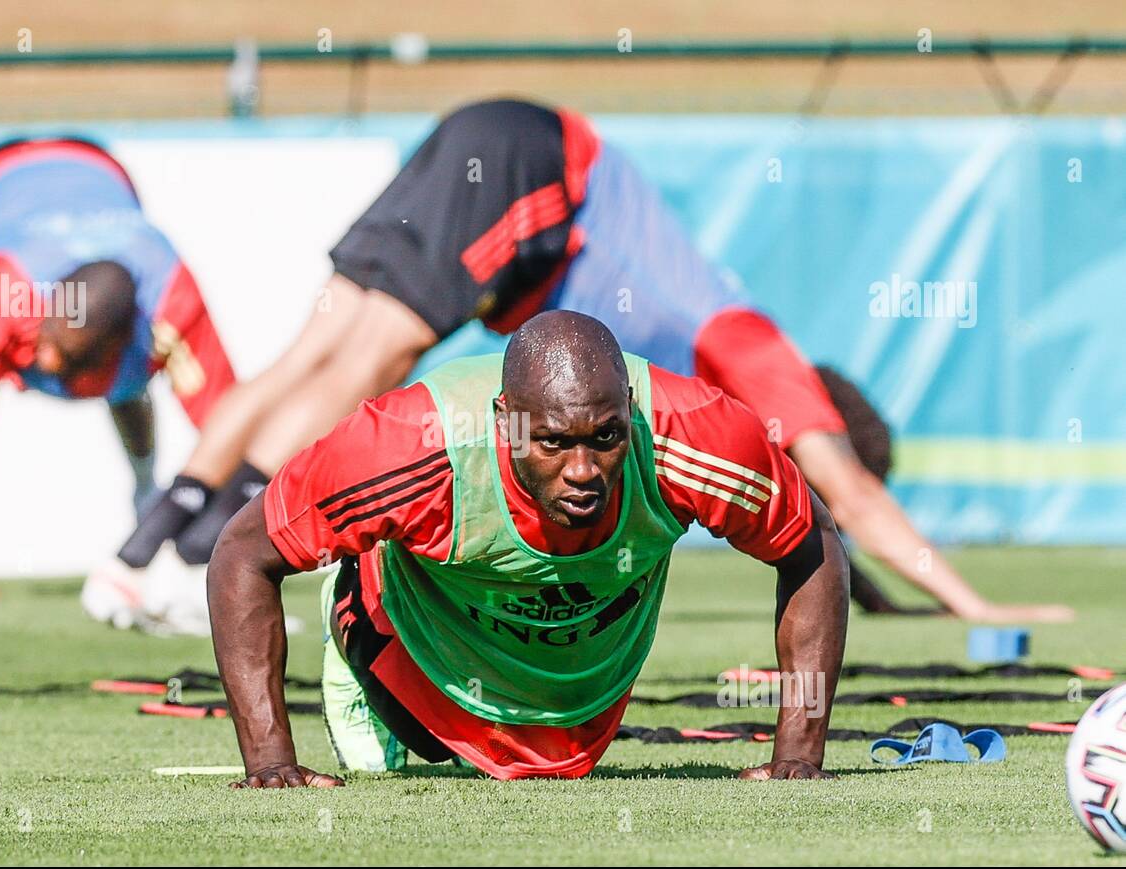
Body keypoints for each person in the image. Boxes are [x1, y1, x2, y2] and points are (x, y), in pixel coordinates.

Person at [92, 99, 1071, 627]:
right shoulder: (753, 349)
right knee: (378, 352)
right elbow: (842, 498)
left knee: (317, 348)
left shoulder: (709, 373)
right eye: (812, 446)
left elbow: (813, 533)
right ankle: (203, 552)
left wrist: (875, 597)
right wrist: (975, 602)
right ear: (811, 418)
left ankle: (150, 548)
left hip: (501, 144)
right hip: (539, 171)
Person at [207, 311, 850, 783]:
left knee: (558, 772)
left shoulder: (695, 435)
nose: (582, 470)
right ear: (504, 416)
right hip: (418, 653)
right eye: (552, 442)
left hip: (580, 691)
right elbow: (242, 555)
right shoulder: (409, 445)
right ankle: (352, 630)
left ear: (630, 409)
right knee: (423, 760)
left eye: (605, 437)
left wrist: (797, 755)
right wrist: (269, 761)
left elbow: (812, 544)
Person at [0, 136, 235, 598]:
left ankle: (144, 494)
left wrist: (233, 550)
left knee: (130, 382)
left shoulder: (170, 293)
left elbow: (231, 424)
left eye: (66, 354)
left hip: (104, 174)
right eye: (49, 340)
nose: (48, 359)